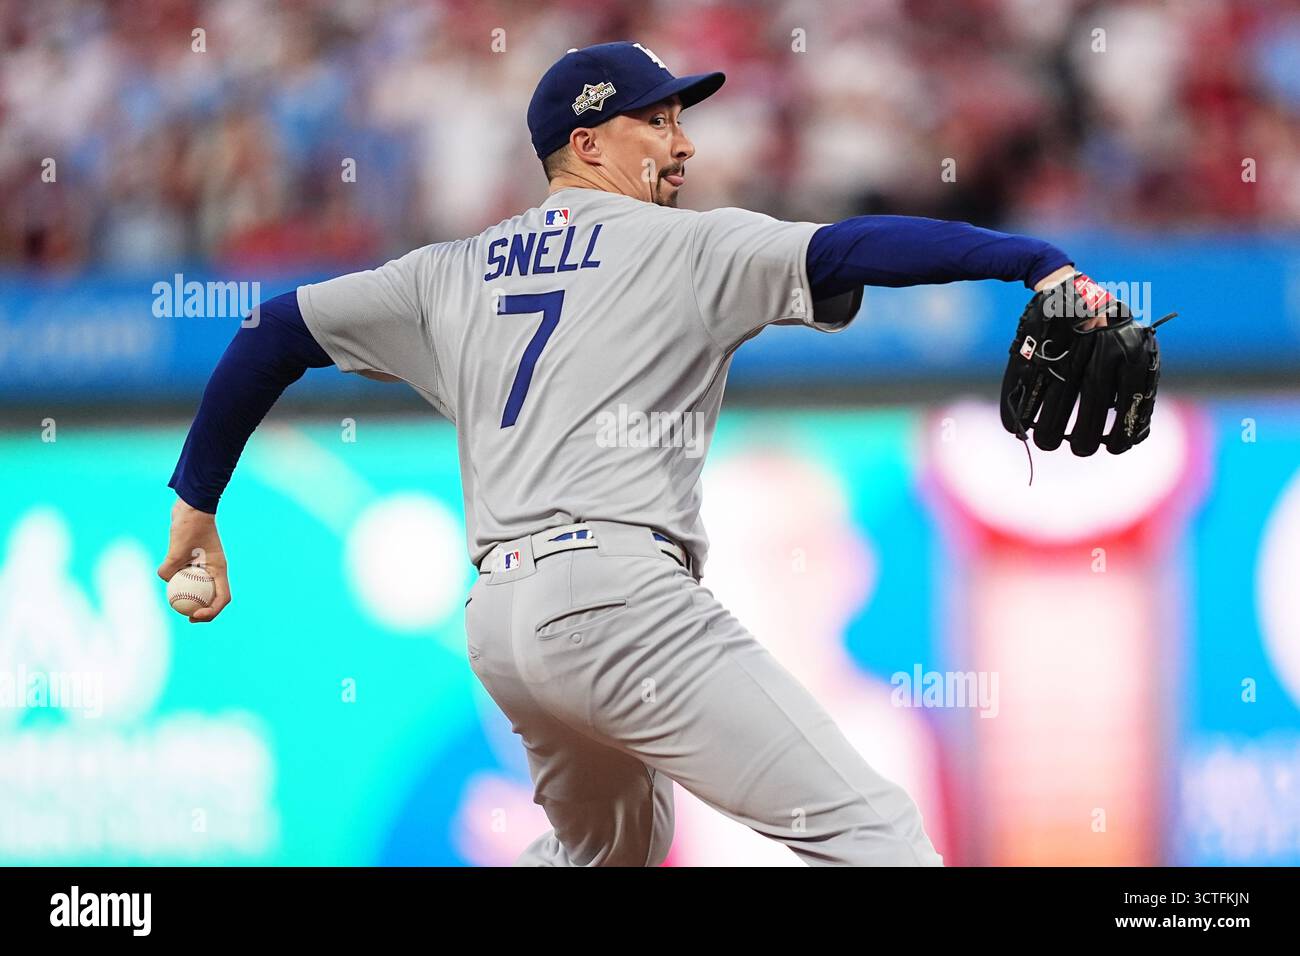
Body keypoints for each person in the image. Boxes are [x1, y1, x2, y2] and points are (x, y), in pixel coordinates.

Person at [158, 40, 1088, 866]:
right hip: (617, 599)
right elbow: (854, 249)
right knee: (878, 837)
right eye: (660, 122)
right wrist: (1030, 259)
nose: (683, 145)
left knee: (608, 854)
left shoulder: (447, 272)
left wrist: (196, 505)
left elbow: (268, 332)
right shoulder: (687, 248)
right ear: (589, 143)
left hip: (503, 621)